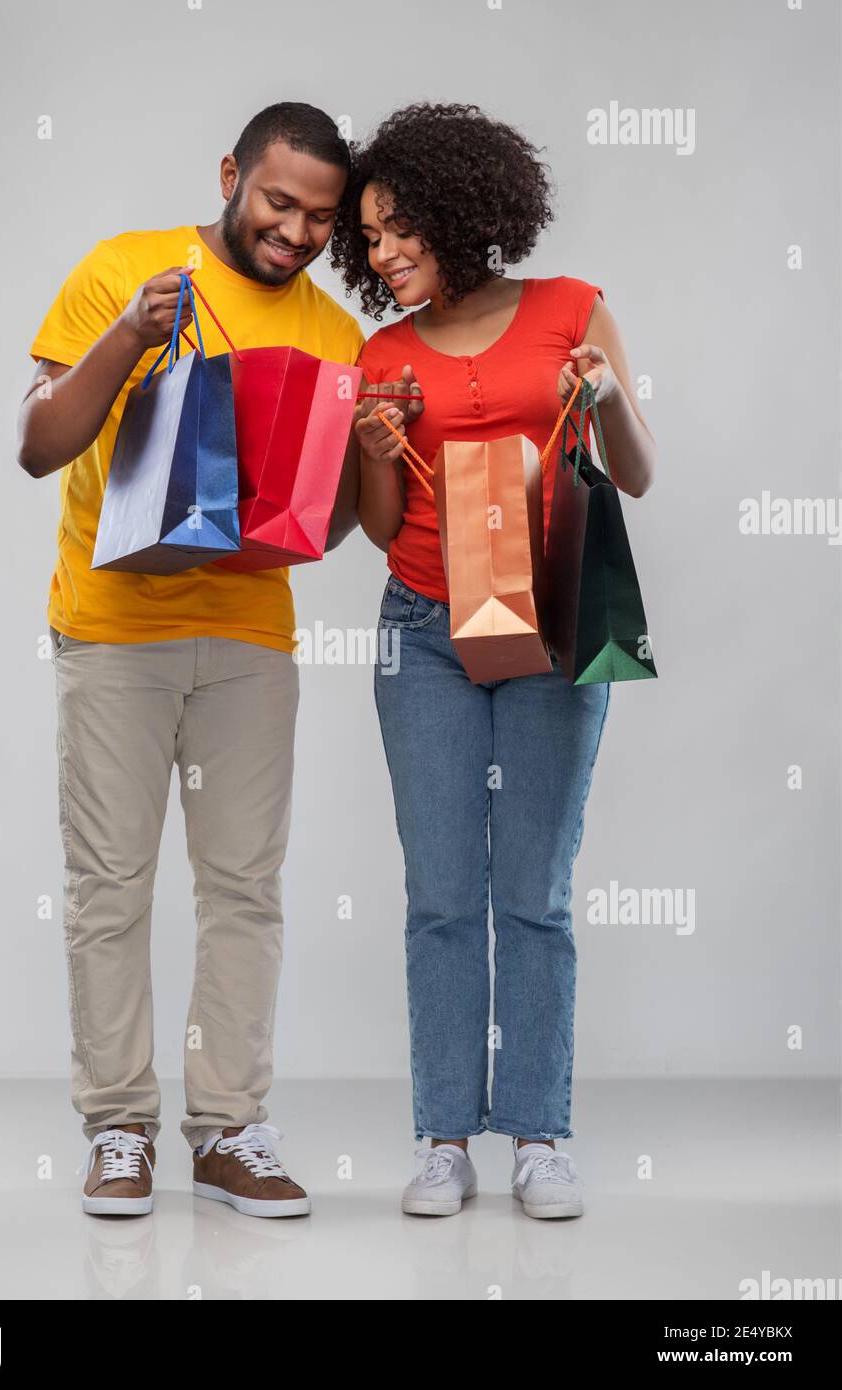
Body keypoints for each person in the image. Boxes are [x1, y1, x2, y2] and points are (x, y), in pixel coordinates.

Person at [17, 103, 365, 1219]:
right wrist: (128, 334)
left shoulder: (335, 334)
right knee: (110, 887)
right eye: (278, 202)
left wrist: (365, 450)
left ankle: (227, 1130)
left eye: (320, 217)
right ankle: (118, 1128)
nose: (296, 232)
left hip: (250, 638)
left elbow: (324, 525)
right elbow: (37, 445)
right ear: (230, 175)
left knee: (244, 890)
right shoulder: (125, 268)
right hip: (113, 631)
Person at [331, 102, 656, 1218]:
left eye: (398, 226)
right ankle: (441, 1139)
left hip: (549, 621)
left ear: (460, 208)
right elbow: (381, 529)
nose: (383, 253)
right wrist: (377, 451)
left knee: (533, 894)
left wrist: (604, 399)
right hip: (424, 627)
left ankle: (538, 1134)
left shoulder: (572, 308)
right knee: (438, 894)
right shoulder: (382, 353)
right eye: (369, 238)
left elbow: (637, 472)